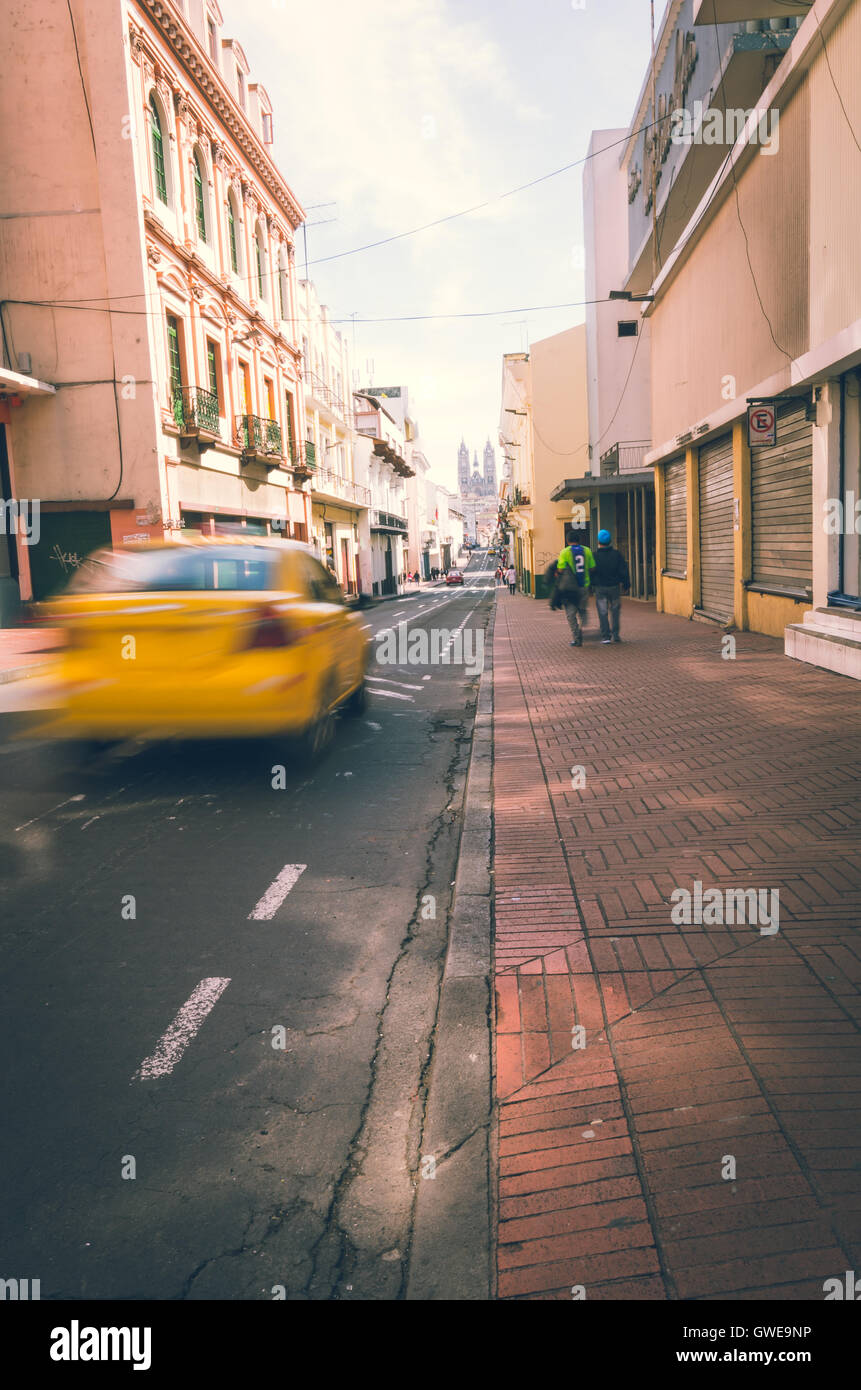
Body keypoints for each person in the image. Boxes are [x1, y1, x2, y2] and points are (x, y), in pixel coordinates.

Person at [555, 534, 595, 646]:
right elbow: (592, 568)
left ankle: (577, 638)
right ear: (579, 540)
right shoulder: (587, 550)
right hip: (584, 586)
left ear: (567, 541)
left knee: (570, 614)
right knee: (582, 611)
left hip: (570, 589)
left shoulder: (564, 552)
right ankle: (583, 628)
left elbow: (560, 569)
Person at [591, 529, 630, 643]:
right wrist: (626, 584)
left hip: (600, 588)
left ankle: (606, 636)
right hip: (614, 587)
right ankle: (616, 635)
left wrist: (591, 585)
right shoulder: (616, 554)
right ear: (610, 541)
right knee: (615, 611)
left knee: (602, 612)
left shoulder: (595, 555)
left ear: (599, 541)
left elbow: (591, 572)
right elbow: (623, 571)